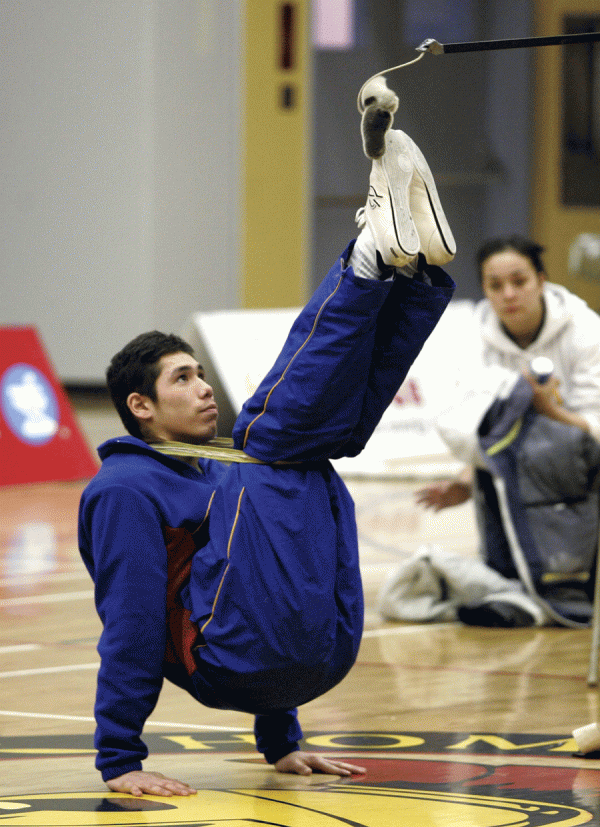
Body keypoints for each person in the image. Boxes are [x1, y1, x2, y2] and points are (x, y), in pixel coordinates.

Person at [77, 96, 456, 796]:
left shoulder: (229, 477)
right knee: (271, 441)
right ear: (140, 406)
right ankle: (371, 255)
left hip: (311, 655)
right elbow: (130, 621)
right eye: (182, 379)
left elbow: (250, 576)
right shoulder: (124, 488)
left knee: (318, 445)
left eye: (200, 373)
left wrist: (282, 740)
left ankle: (411, 275)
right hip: (231, 663)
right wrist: (119, 758)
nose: (203, 389)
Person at [416, 235, 600, 625]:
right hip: (515, 466)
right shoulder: (474, 340)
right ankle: (515, 581)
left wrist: (546, 409)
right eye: (495, 285)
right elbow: (484, 428)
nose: (508, 294)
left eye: (520, 281)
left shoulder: (586, 331)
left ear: (542, 280)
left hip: (584, 466)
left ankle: (572, 581)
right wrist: (466, 480)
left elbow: (596, 429)